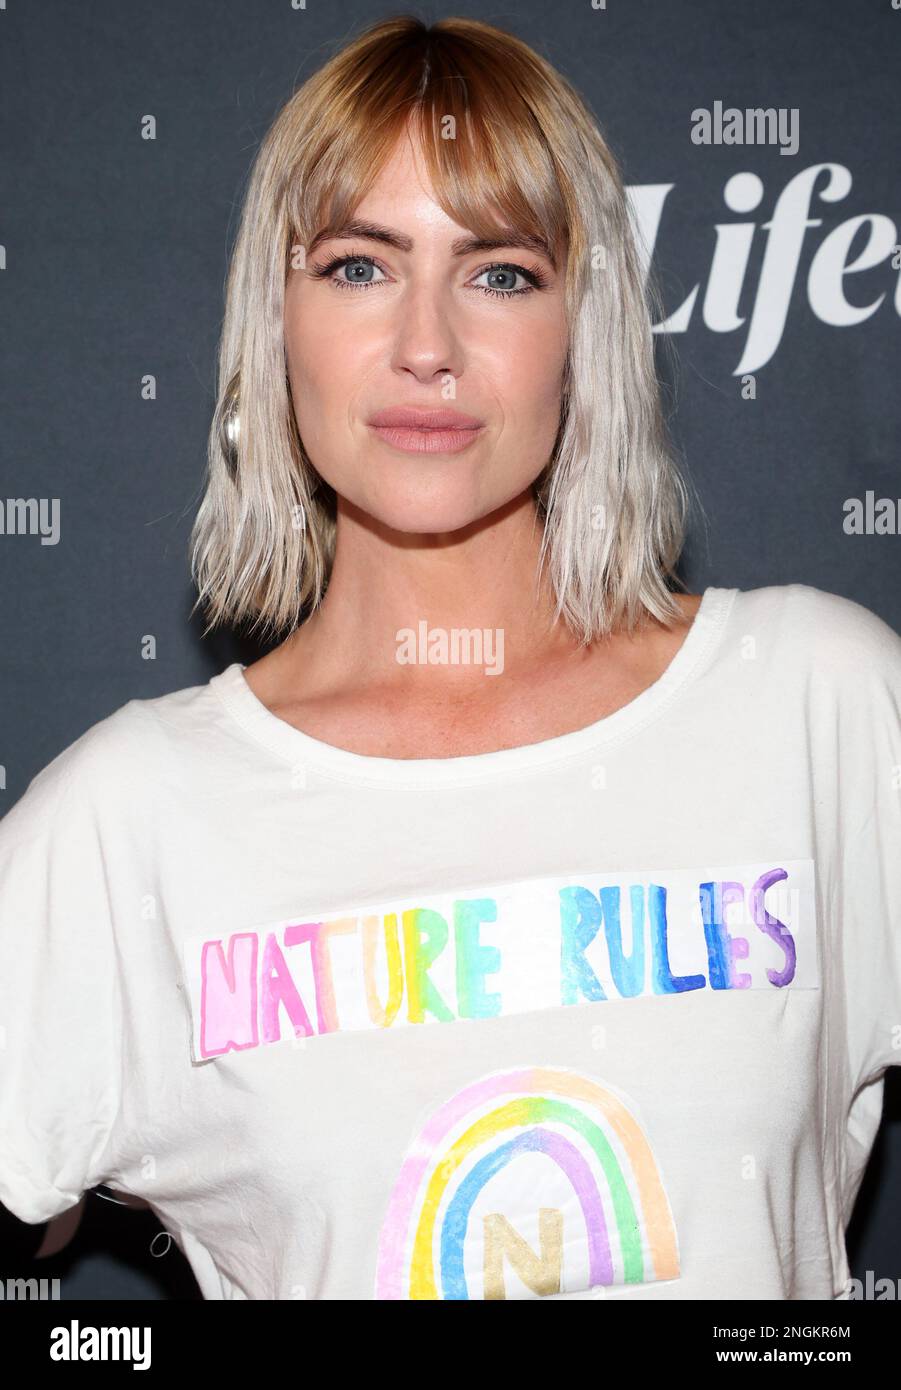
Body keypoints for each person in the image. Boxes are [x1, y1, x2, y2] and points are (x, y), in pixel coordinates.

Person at [1, 14, 899, 1302]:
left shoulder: (826, 706)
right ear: (278, 320)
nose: (426, 344)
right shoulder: (131, 819)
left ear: (583, 328)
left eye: (501, 272)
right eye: (361, 266)